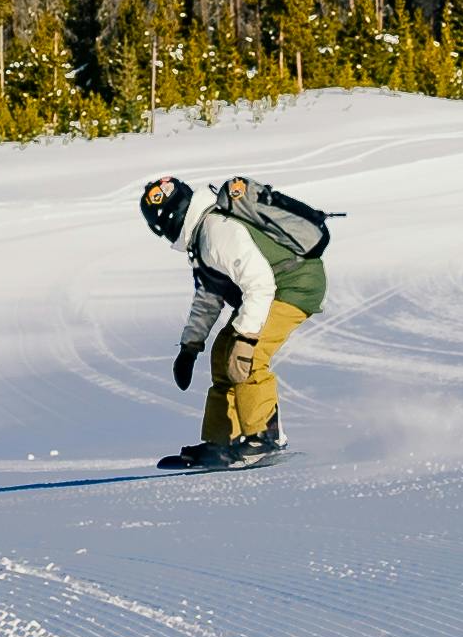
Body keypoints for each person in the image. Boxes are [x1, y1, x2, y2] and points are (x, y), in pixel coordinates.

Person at [139, 176, 327, 470]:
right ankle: (222, 441)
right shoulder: (203, 234)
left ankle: (266, 439)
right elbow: (208, 297)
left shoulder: (216, 232)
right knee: (222, 355)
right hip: (274, 288)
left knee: (249, 357)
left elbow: (260, 284)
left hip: (294, 284)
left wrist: (247, 339)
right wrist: (190, 347)